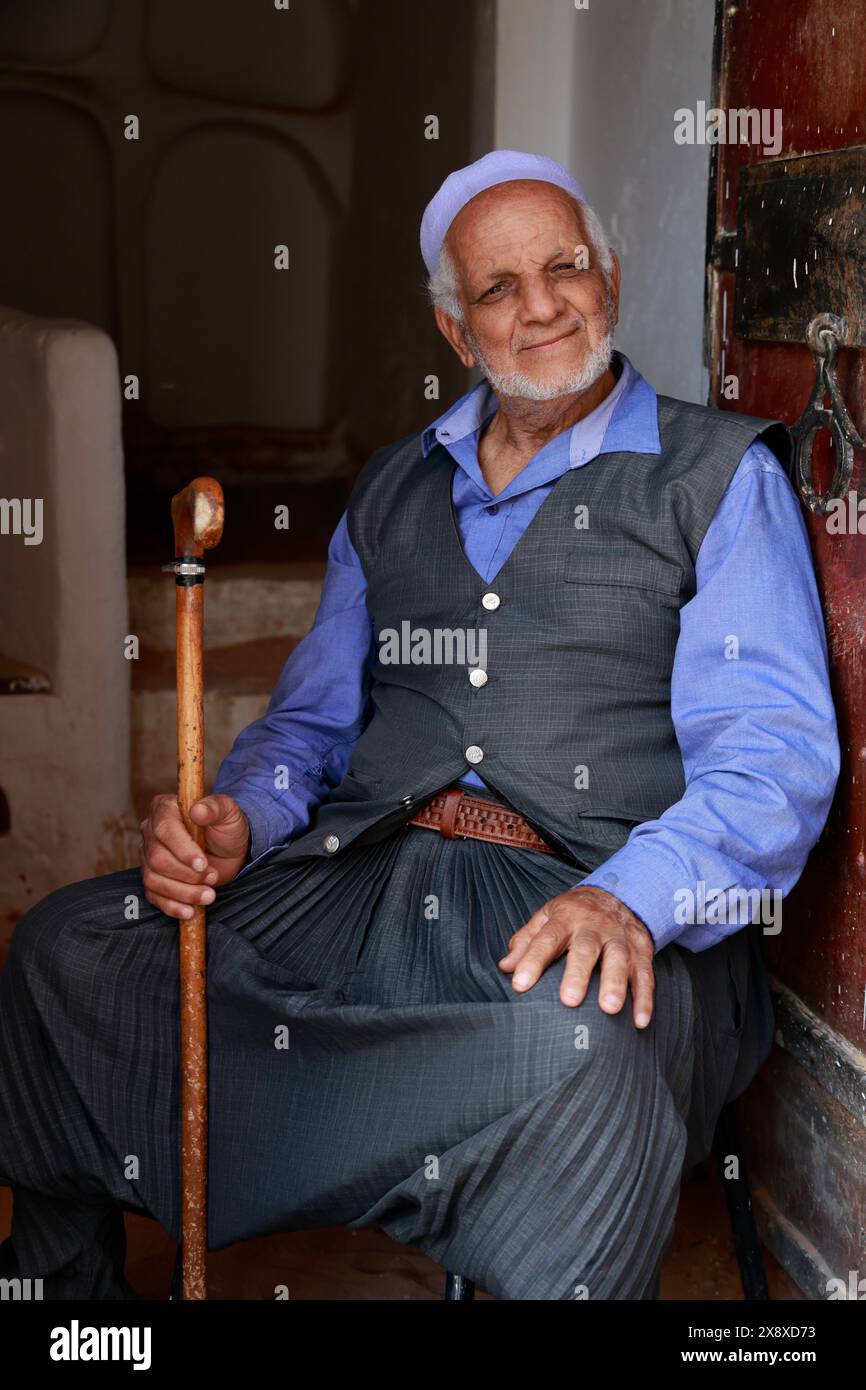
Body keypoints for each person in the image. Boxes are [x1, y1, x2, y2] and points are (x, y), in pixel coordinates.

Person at [0, 150, 839, 1301]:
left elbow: (772, 759)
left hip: (584, 888)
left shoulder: (711, 476)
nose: (540, 304)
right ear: (458, 334)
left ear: (608, 276)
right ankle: (60, 1301)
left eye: (564, 267)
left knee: (573, 1046)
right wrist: (240, 814)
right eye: (497, 289)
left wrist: (631, 896)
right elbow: (310, 722)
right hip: (364, 875)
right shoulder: (394, 487)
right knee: (74, 947)